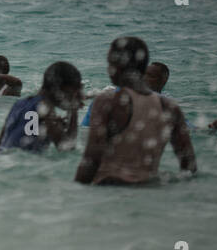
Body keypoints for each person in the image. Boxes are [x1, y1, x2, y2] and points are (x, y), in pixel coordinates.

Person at [75, 37, 196, 185]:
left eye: (110, 63)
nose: (108, 69)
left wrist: (74, 194)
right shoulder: (169, 106)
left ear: (118, 65)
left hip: (108, 191)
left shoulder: (107, 102)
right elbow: (189, 167)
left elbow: (91, 160)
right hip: (151, 190)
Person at [81, 62, 217, 131]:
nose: (144, 78)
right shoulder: (117, 91)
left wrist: (206, 129)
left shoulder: (165, 101)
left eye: (150, 76)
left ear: (163, 80)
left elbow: (181, 124)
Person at [0, 61, 83, 152]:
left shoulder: (19, 104)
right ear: (61, 88)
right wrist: (74, 110)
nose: (74, 95)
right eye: (73, 91)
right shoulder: (46, 109)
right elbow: (67, 147)